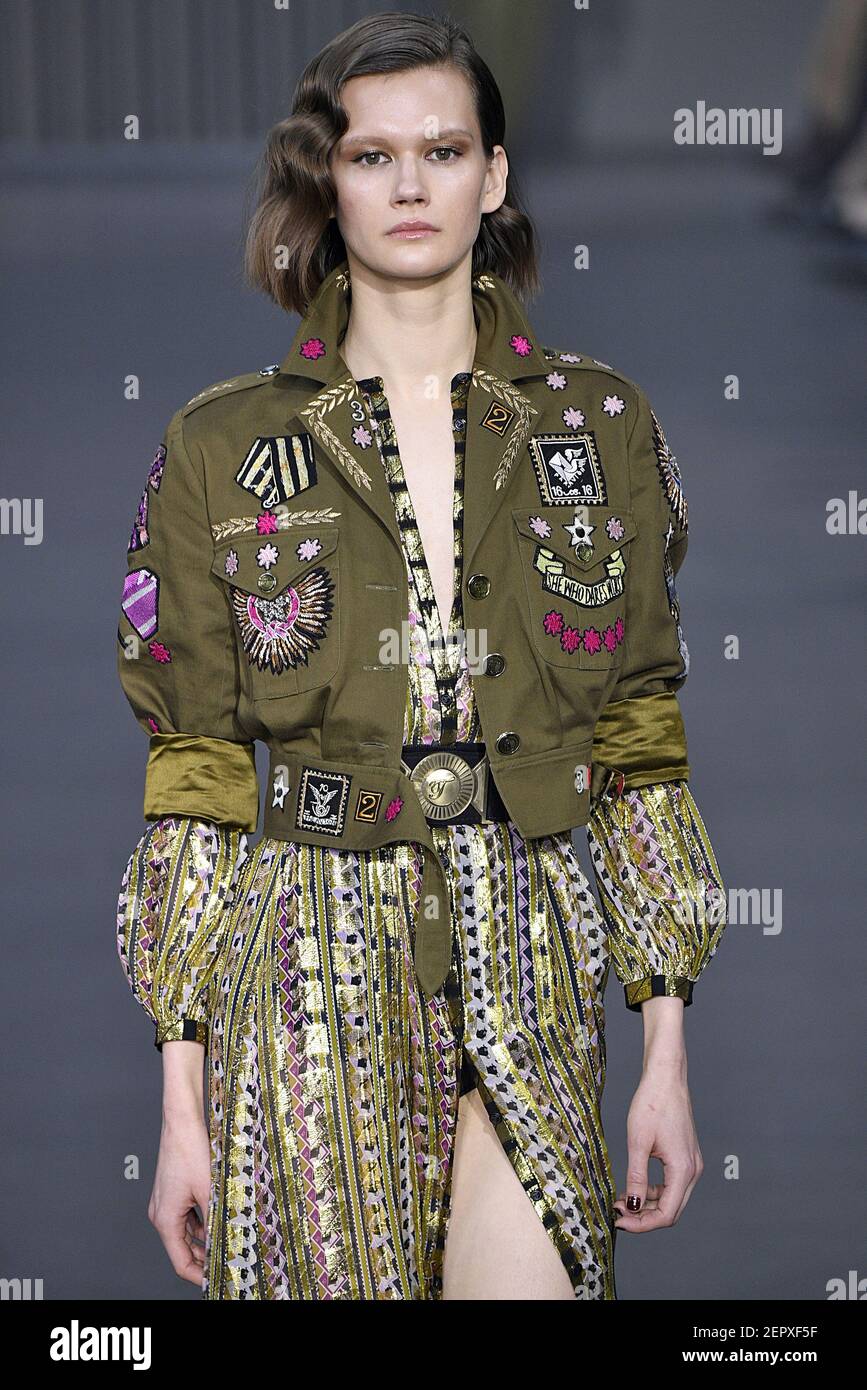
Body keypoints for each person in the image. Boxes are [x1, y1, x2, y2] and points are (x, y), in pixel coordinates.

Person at [115, 11, 728, 1301]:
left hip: (533, 935)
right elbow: (199, 771)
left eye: (444, 151)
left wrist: (663, 1036)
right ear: (325, 183)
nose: (409, 185)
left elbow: (636, 732)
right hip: (307, 971)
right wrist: (182, 1097)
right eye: (373, 155)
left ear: (495, 177)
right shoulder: (218, 448)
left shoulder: (597, 424)